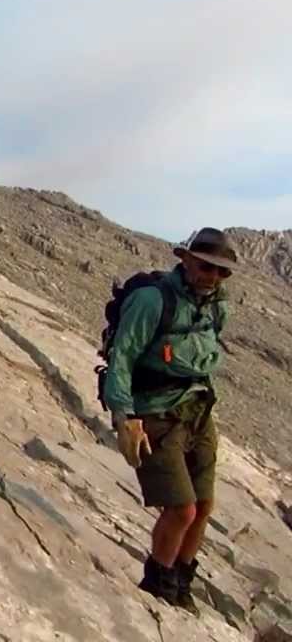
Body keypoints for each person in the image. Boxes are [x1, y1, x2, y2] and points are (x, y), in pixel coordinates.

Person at [102, 227, 238, 613]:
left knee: (204, 505)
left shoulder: (216, 306)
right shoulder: (152, 301)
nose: (213, 276)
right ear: (186, 259)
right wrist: (124, 417)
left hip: (197, 410)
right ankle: (158, 584)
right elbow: (122, 357)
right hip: (156, 413)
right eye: (206, 266)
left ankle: (181, 583)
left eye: (221, 271)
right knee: (182, 510)